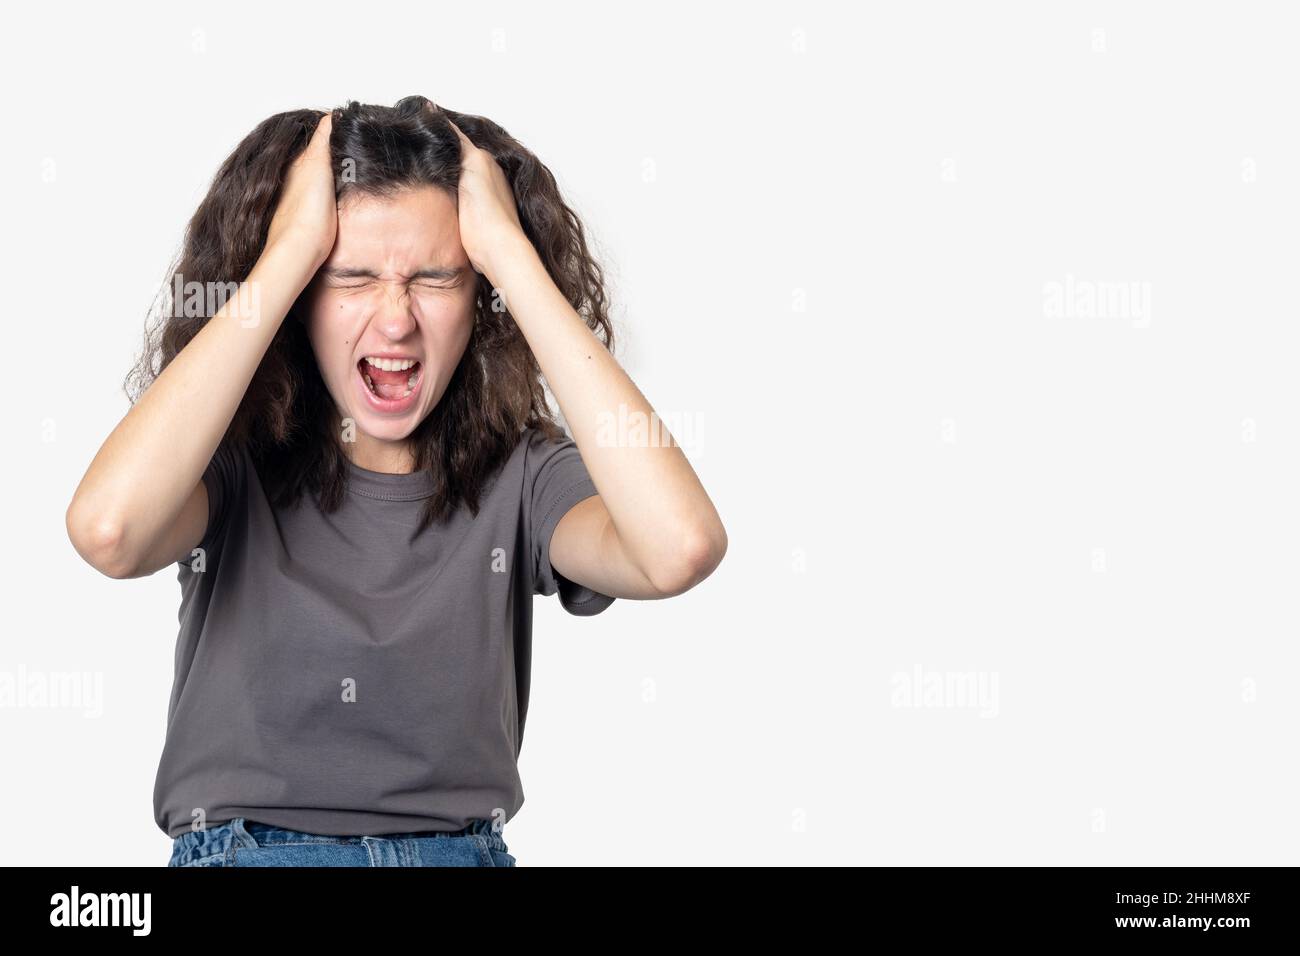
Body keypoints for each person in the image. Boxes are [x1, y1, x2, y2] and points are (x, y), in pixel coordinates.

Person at [65, 97, 727, 867]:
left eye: (436, 279)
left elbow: (678, 547)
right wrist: (287, 254)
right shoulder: (230, 463)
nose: (394, 322)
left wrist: (513, 259)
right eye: (349, 277)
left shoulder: (525, 475)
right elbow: (108, 532)